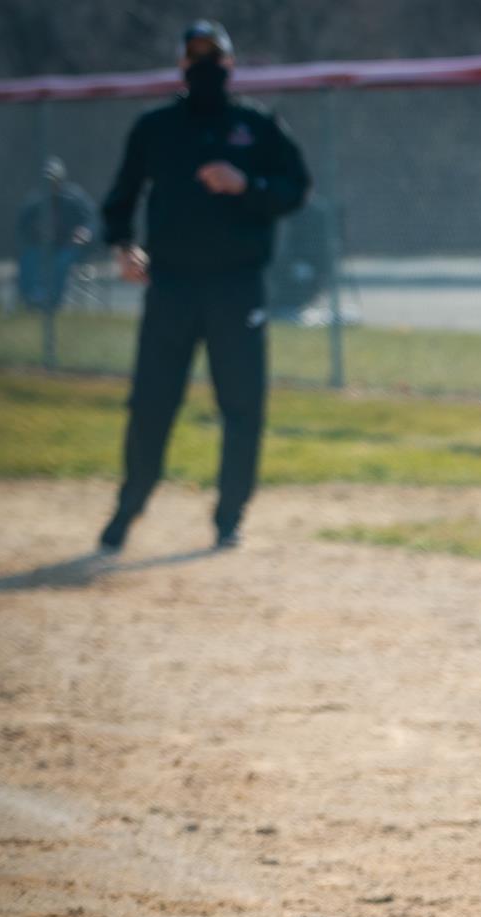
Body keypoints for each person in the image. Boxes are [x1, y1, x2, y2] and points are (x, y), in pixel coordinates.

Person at [96, 19, 311, 553]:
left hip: (236, 288)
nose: (206, 67)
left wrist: (247, 184)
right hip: (170, 286)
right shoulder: (156, 127)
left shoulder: (256, 127)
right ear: (182, 66)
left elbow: (295, 188)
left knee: (241, 404)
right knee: (151, 403)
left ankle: (229, 516)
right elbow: (121, 195)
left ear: (231, 66)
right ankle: (130, 506)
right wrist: (123, 246)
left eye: (215, 58)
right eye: (196, 58)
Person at [16, 157, 97, 311]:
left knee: (61, 262)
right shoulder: (36, 200)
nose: (50, 184)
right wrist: (35, 230)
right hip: (45, 245)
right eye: (46, 180)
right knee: (28, 258)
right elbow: (23, 224)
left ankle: (52, 301)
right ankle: (29, 299)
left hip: (70, 246)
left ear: (61, 179)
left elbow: (92, 218)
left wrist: (85, 231)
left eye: (54, 180)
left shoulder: (75, 198)